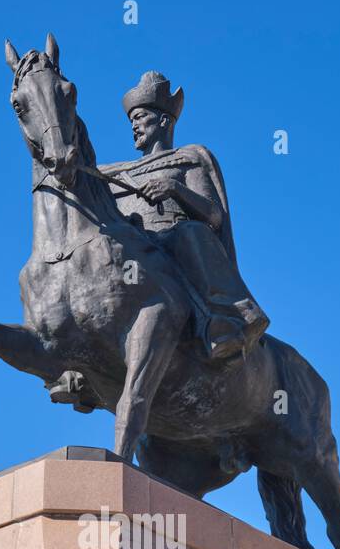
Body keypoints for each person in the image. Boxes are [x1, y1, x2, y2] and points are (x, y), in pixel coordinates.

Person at [99, 71, 269, 362]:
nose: (134, 126)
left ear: (164, 120)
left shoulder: (187, 159)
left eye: (140, 117)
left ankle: (223, 323)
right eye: (131, 121)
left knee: (193, 232)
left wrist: (175, 189)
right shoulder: (115, 174)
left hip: (173, 247)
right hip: (133, 247)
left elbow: (213, 217)